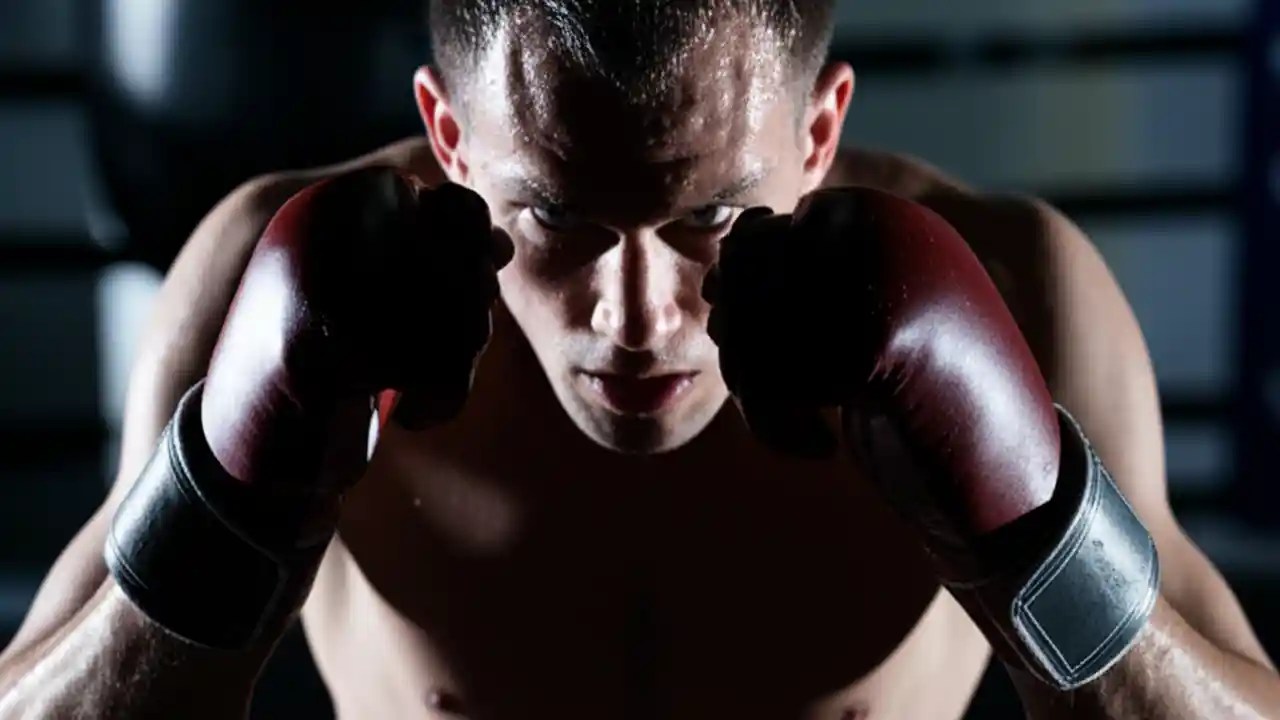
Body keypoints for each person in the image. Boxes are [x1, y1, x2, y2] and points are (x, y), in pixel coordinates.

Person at [0, 1, 1277, 718]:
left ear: (819, 130)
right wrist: (230, 503)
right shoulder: (257, 282)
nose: (633, 312)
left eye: (710, 217)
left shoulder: (1022, 295)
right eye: (552, 215)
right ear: (446, 135)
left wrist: (1026, 534)